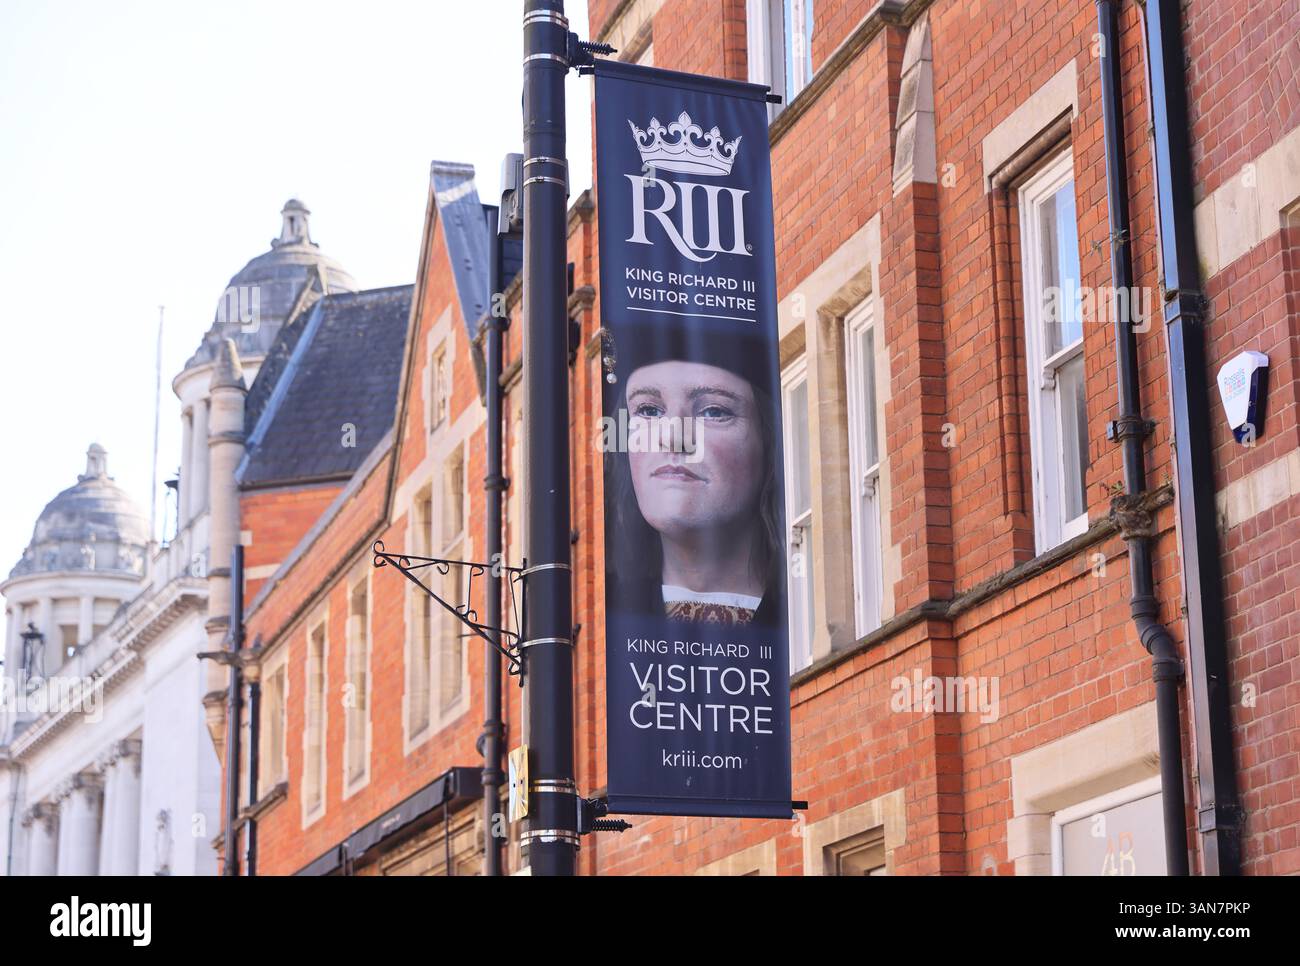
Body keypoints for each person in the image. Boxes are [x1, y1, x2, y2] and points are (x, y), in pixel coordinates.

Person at [605, 323, 786, 628]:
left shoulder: (804, 605)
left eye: (713, 412)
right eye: (649, 411)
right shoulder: (594, 616)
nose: (675, 438)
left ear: (767, 440)